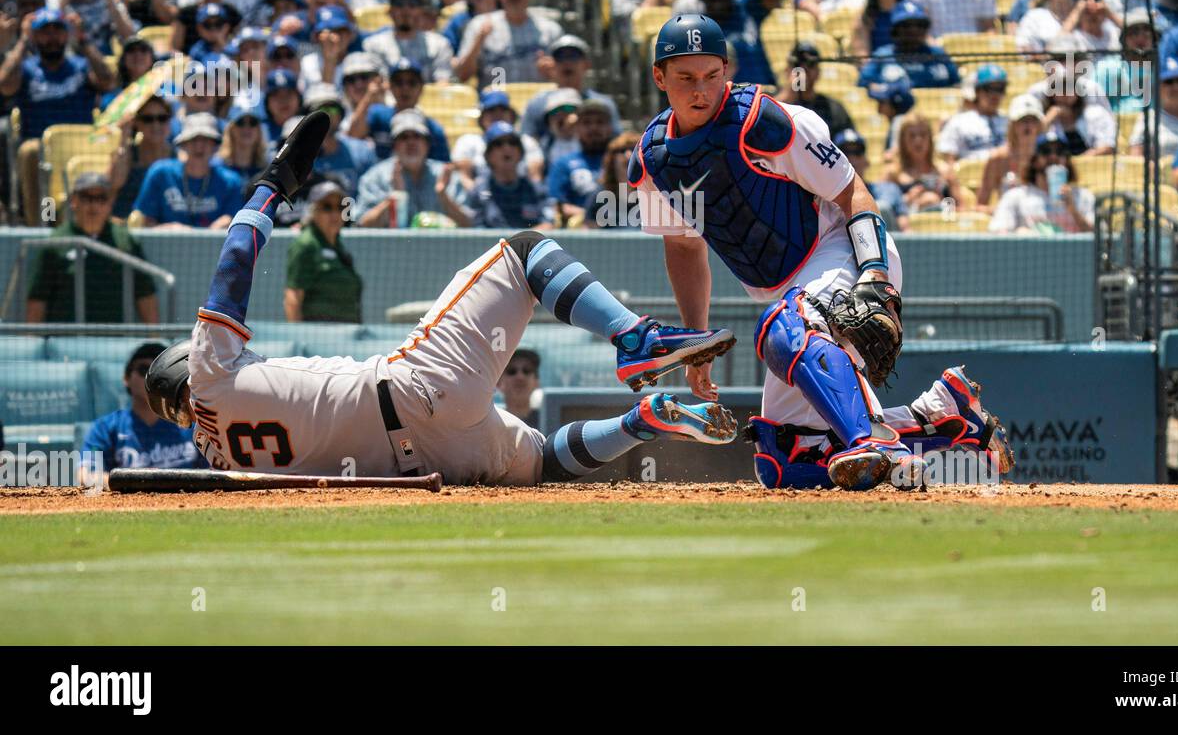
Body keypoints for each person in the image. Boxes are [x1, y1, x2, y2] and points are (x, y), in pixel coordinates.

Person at [143, 110, 739, 485]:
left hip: (432, 463)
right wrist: (271, 189)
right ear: (182, 370)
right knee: (526, 251)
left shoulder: (221, 461)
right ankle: (634, 340)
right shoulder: (210, 371)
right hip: (414, 391)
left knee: (542, 464)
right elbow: (235, 259)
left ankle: (640, 422)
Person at [630, 14, 1012, 492]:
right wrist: (696, 345)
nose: (701, 89)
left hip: (843, 254)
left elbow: (854, 193)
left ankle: (874, 441)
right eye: (685, 78)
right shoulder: (653, 160)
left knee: (784, 326)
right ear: (659, 77)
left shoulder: (766, 123)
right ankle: (947, 417)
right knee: (787, 461)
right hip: (788, 289)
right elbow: (684, 249)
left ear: (726, 69)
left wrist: (876, 276)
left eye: (712, 74)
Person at [0, 8, 113, 226]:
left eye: (58, 30)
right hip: (44, 161)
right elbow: (4, 86)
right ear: (35, 36)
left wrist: (84, 39)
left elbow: (107, 81)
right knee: (32, 152)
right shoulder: (27, 69)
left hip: (79, 151)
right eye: (45, 31)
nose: (52, 37)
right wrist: (23, 41)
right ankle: (42, 225)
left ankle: (94, 223)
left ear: (67, 34)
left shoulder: (81, 66)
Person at [25, 171, 160, 323]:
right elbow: (37, 299)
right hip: (64, 342)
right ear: (74, 201)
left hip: (116, 341)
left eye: (101, 199)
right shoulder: (56, 243)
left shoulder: (125, 241)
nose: (93, 205)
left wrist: (154, 340)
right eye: (86, 198)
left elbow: (146, 295)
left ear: (110, 204)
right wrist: (33, 341)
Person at [81, 342, 204, 482]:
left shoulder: (193, 422)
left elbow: (215, 471)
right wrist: (137, 484)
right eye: (143, 369)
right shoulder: (105, 428)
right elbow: (86, 474)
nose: (149, 378)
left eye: (160, 373)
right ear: (126, 378)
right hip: (128, 502)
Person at [130, 111, 244, 228]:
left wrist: (225, 224)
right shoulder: (160, 173)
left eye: (206, 140)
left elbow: (235, 219)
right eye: (193, 139)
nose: (199, 146)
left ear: (215, 146)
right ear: (183, 144)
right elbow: (144, 222)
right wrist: (170, 229)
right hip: (167, 245)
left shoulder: (230, 181)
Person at [452, 0, 562, 85]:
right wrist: (478, 43)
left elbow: (568, 78)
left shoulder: (550, 29)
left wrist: (554, 71)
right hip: (496, 100)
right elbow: (463, 75)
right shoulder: (479, 25)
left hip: (539, 100)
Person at [440, 122, 554, 230]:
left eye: (513, 143)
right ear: (488, 155)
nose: (507, 148)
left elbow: (549, 225)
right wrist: (442, 194)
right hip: (491, 249)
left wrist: (517, 243)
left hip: (530, 249)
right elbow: (472, 227)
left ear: (521, 153)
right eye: (498, 144)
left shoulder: (536, 190)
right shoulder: (479, 191)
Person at [284, 180, 363, 322]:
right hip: (317, 336)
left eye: (340, 207)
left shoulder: (338, 245)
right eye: (327, 207)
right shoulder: (306, 244)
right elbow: (292, 299)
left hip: (347, 334)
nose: (335, 214)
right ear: (313, 211)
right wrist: (298, 339)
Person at [354, 108, 449, 226]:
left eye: (417, 136)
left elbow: (470, 224)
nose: (411, 142)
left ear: (427, 143)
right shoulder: (375, 177)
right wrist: (394, 198)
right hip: (389, 245)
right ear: (394, 145)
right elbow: (361, 225)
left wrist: (443, 196)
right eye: (404, 137)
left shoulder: (444, 174)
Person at [989, 130, 1096, 233]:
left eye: (1060, 152)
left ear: (1066, 160)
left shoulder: (1084, 196)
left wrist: (1073, 211)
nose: (1053, 156)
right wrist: (1018, 235)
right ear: (1034, 160)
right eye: (1046, 151)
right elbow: (999, 233)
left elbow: (1101, 240)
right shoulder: (1015, 197)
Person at [881, 112, 966, 227]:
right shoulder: (892, 173)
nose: (918, 141)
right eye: (912, 136)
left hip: (943, 228)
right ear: (903, 141)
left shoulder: (945, 172)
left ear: (930, 139)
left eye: (923, 135)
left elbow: (962, 210)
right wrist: (907, 199)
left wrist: (942, 201)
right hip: (906, 234)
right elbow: (883, 210)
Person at [859, 0, 961, 90]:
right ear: (895, 30)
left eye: (920, 25)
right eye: (907, 26)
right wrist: (884, 90)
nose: (914, 30)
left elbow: (957, 84)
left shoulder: (938, 55)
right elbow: (864, 83)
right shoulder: (883, 55)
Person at [361, 0, 453, 81]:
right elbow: (376, 84)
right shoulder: (373, 45)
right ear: (390, 11)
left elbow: (442, 83)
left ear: (421, 11)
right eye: (399, 5)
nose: (406, 10)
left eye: (412, 5)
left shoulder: (439, 44)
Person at [452, 89, 544, 183]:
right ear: (482, 117)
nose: (497, 115)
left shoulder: (527, 142)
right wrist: (480, 196)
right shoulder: (468, 141)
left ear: (511, 115)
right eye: (491, 111)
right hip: (480, 195)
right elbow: (464, 179)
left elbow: (535, 179)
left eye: (503, 110)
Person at [109, 93, 177, 220]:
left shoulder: (179, 157)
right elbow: (113, 184)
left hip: (166, 229)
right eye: (147, 119)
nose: (156, 125)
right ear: (137, 123)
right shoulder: (127, 154)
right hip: (126, 224)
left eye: (162, 118)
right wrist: (124, 137)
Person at [549, 98, 613, 224]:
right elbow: (557, 206)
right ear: (577, 128)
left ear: (610, 128)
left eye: (600, 122)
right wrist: (591, 215)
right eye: (587, 123)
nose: (594, 128)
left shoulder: (621, 161)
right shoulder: (564, 164)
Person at [978, 91, 1045, 210]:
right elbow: (981, 204)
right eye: (1023, 120)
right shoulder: (997, 158)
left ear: (1040, 125)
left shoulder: (1048, 156)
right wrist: (1001, 212)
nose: (1028, 126)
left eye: (1033, 120)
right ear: (1013, 124)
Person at [773, 42, 853, 137]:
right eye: (797, 64)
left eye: (810, 64)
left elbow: (848, 145)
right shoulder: (769, 99)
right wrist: (789, 94)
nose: (803, 69)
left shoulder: (833, 109)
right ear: (787, 70)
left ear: (818, 72)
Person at [936, 63, 1011, 163]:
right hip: (969, 177)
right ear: (977, 91)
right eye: (989, 89)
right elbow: (949, 161)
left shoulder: (1011, 123)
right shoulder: (959, 122)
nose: (995, 95)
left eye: (1000, 89)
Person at [496, 347, 542, 429]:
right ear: (498, 383)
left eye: (527, 371)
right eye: (512, 371)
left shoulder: (549, 420)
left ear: (536, 382)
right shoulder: (489, 424)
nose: (520, 377)